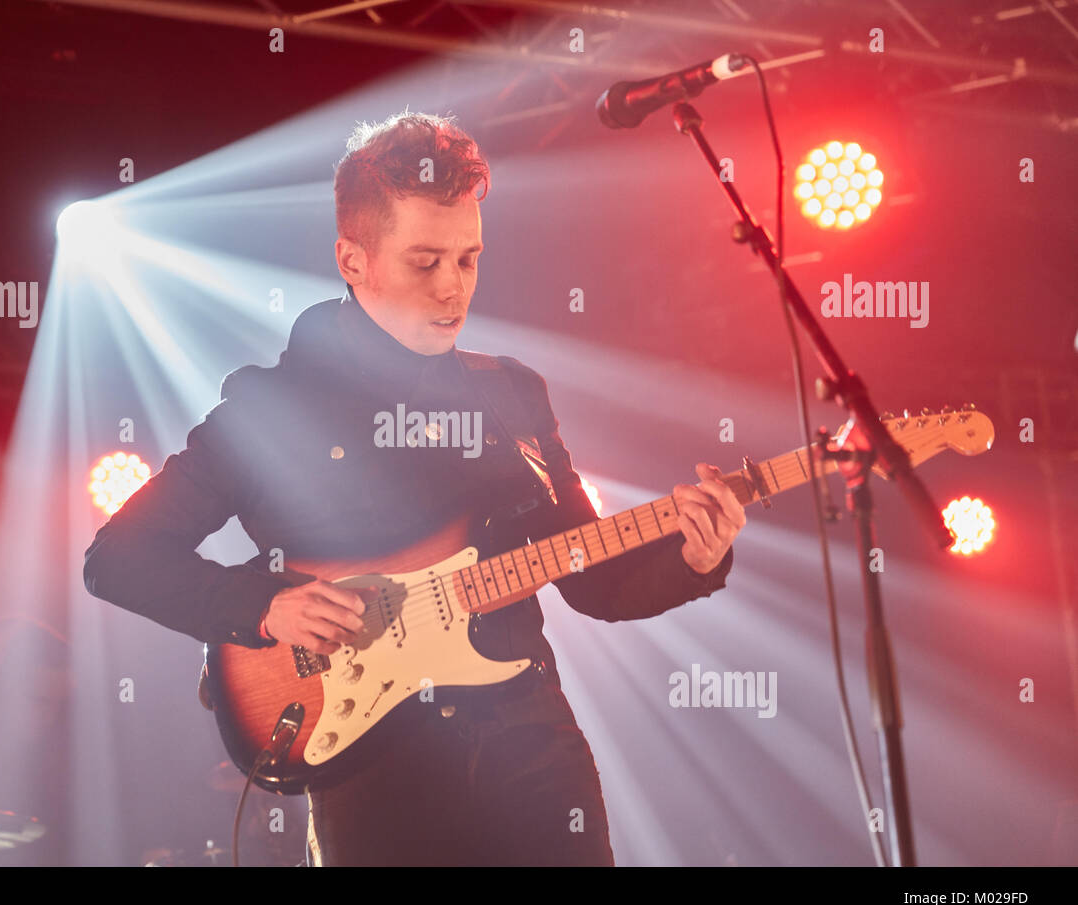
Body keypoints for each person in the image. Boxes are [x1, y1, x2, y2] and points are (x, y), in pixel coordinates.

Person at [83, 109, 746, 866]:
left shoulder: (512, 394)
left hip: (528, 739)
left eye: (468, 260)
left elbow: (587, 578)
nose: (452, 290)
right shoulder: (272, 408)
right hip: (372, 756)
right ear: (353, 259)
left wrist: (692, 558)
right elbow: (118, 557)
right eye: (424, 262)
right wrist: (263, 605)